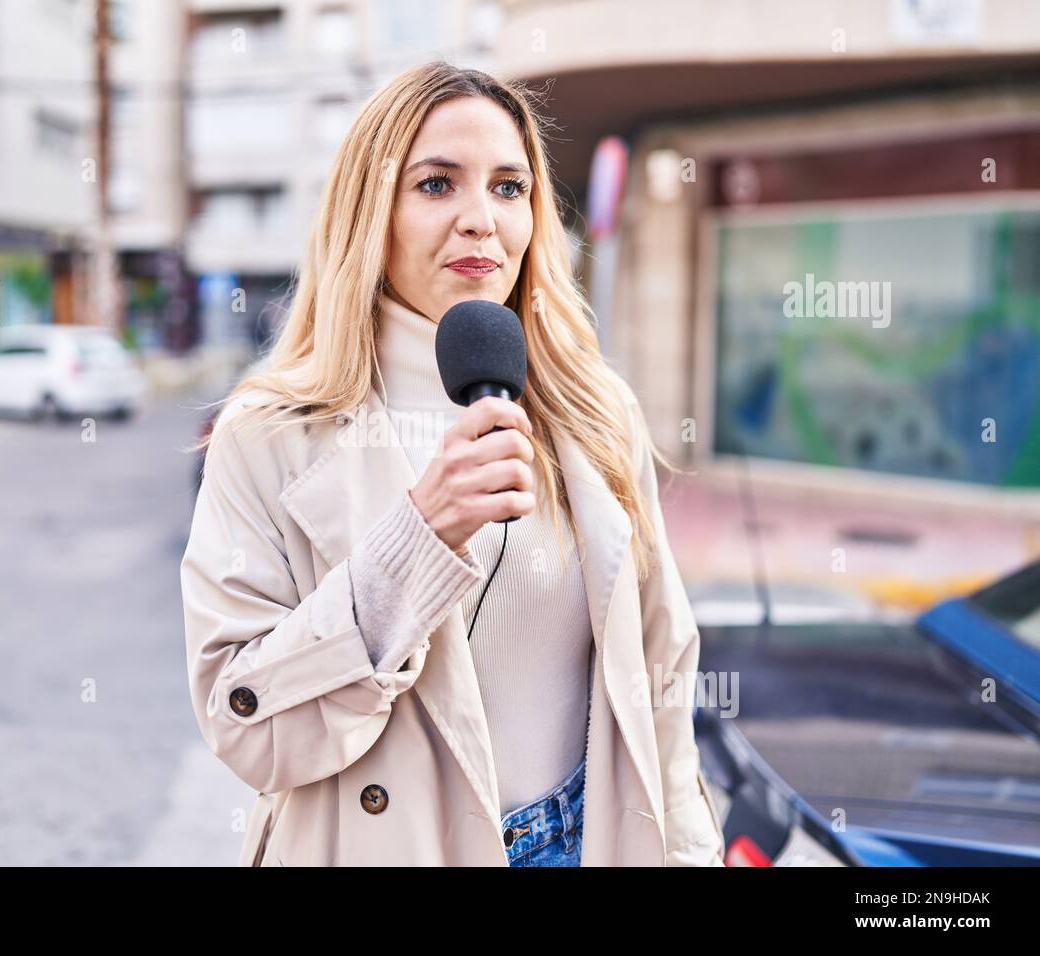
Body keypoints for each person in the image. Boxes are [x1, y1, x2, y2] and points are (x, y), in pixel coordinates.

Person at [181, 61, 725, 867]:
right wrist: (416, 539)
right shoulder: (267, 433)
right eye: (438, 185)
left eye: (509, 188)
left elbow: (662, 672)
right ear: (372, 212)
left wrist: (689, 854)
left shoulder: (594, 408)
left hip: (588, 843)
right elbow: (244, 725)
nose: (482, 220)